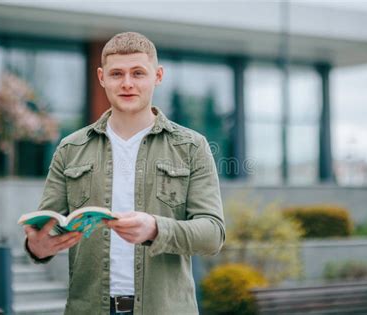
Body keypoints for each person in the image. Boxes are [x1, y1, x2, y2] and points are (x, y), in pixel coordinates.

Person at [23, 31, 225, 315]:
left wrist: (156, 228)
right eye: (117, 74)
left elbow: (213, 234)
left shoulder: (191, 146)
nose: (127, 83)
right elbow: (46, 230)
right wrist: (37, 247)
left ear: (158, 76)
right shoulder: (70, 148)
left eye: (138, 73)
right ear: (102, 77)